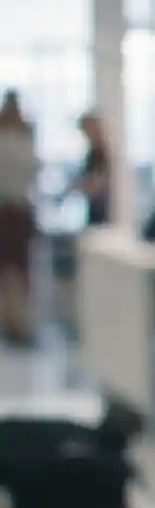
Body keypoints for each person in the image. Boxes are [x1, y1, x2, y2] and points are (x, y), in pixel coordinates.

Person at [0, 91, 37, 346]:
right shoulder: (21, 142)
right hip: (15, 210)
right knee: (15, 270)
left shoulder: (11, 141)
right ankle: (16, 321)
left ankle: (14, 321)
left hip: (11, 211)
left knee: (10, 270)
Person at [75, 112, 111, 226]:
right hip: (94, 203)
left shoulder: (99, 153)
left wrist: (82, 186)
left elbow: (98, 182)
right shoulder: (94, 152)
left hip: (98, 205)